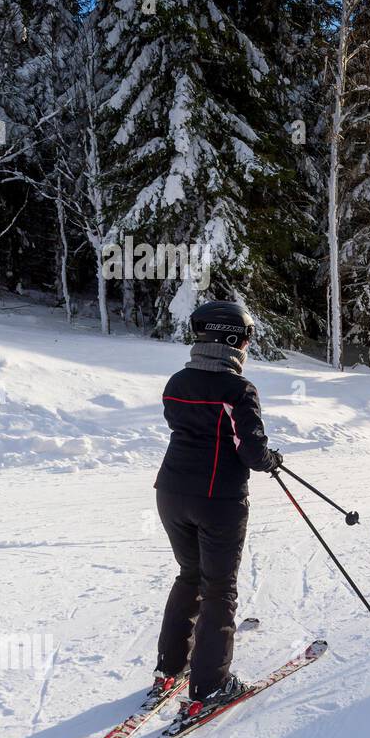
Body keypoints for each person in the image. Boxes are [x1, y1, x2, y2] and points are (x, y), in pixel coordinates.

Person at [151, 301, 282, 716]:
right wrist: (270, 460)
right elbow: (251, 452)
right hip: (218, 500)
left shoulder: (177, 381)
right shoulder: (239, 389)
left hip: (171, 493)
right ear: (232, 340)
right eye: (245, 338)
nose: (246, 345)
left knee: (190, 574)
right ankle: (211, 685)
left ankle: (170, 669)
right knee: (219, 588)